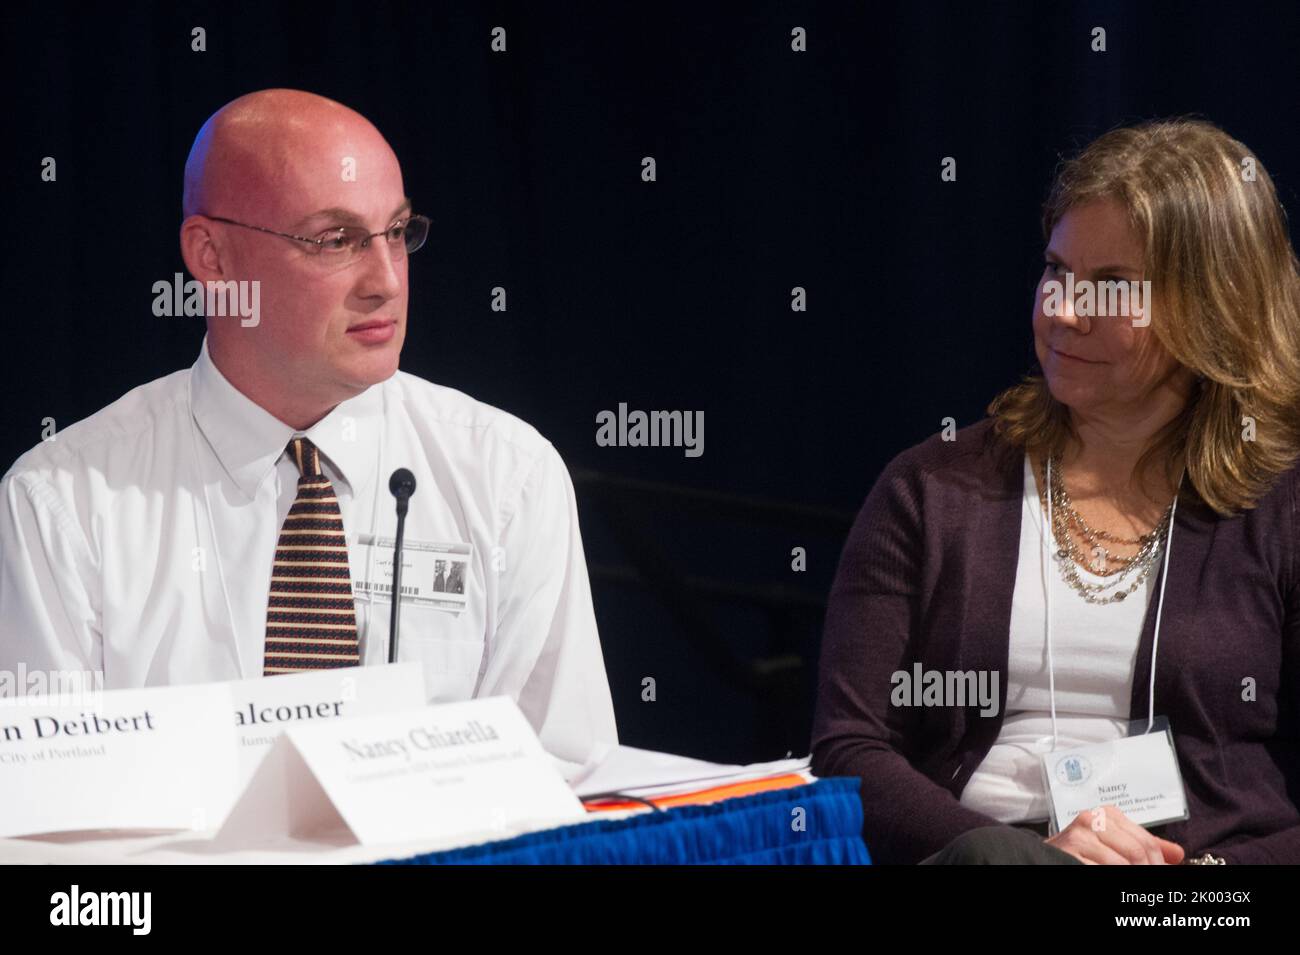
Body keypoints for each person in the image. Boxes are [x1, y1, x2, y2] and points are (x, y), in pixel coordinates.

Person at [0, 89, 617, 769]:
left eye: (399, 233)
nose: (385, 280)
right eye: (336, 240)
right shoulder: (63, 505)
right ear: (211, 257)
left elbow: (567, 780)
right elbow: (50, 811)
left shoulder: (509, 477)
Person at [812, 118, 1300, 864]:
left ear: (1211, 305)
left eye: (1110, 287)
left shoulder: (1281, 509)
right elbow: (850, 750)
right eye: (1055, 270)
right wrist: (1016, 853)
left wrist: (1206, 878)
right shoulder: (931, 489)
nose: (1063, 311)